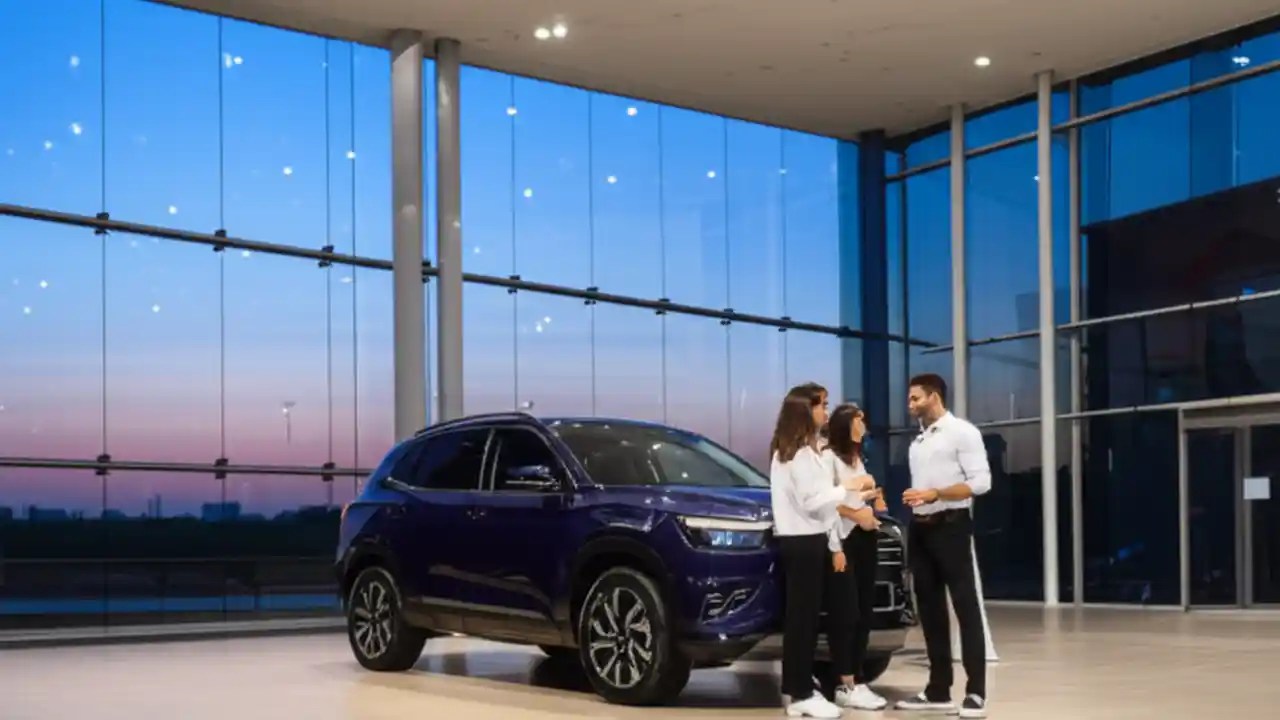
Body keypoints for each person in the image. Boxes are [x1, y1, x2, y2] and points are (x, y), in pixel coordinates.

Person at [895, 374, 992, 719]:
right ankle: (938, 689)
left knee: (966, 608)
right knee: (931, 612)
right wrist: (920, 498)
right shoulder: (918, 442)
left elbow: (981, 482)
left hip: (951, 527)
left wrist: (937, 493)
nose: (910, 404)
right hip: (920, 530)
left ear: (934, 397)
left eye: (915, 398)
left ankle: (977, 692)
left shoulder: (963, 433)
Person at [769, 383, 864, 719]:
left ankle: (801, 686)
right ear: (803, 410)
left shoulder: (809, 451)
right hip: (801, 541)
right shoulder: (792, 454)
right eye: (821, 405)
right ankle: (798, 693)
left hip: (814, 539)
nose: (826, 410)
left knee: (808, 619)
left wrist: (833, 543)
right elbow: (812, 500)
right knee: (802, 619)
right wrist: (846, 488)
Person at [822, 402, 889, 711]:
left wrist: (872, 502)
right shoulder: (828, 458)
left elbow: (858, 494)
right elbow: (827, 502)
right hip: (843, 539)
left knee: (863, 611)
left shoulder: (857, 459)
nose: (863, 423)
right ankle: (843, 680)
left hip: (865, 537)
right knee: (845, 612)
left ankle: (858, 678)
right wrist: (857, 514)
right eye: (858, 418)